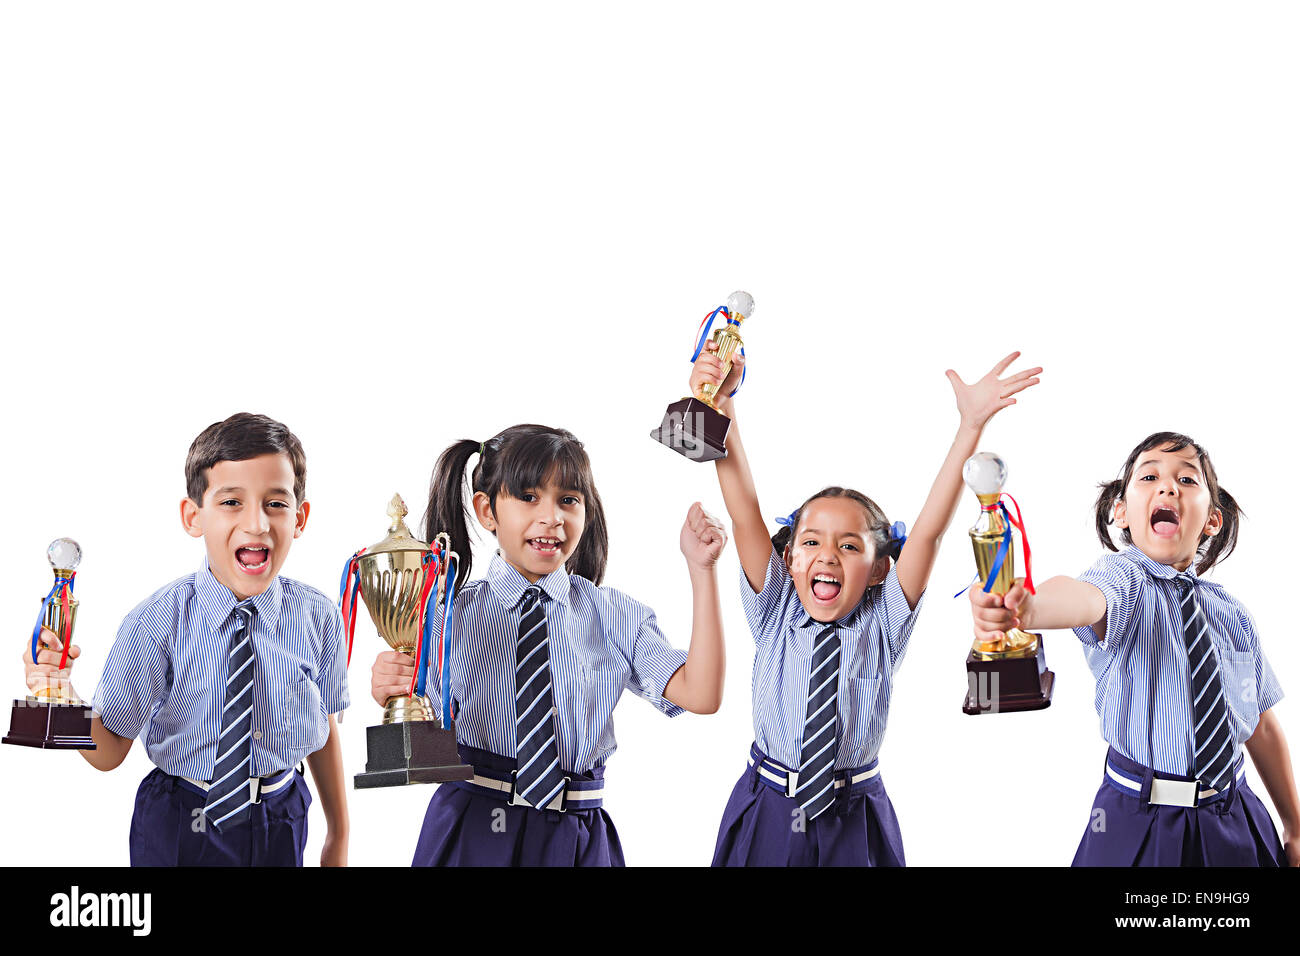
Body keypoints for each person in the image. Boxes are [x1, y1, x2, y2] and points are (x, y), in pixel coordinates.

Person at [697, 343, 1041, 865]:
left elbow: (927, 532)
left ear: (880, 569)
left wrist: (970, 427)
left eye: (850, 546)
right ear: (789, 559)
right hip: (768, 805)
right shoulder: (775, 609)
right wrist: (724, 406)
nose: (827, 556)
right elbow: (745, 510)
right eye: (811, 542)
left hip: (854, 813)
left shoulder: (883, 620)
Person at [371, 423, 727, 865]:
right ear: (486, 510)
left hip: (576, 837)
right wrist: (390, 695)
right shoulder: (445, 616)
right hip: (473, 828)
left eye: (568, 500)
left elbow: (703, 695)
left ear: (586, 512)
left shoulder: (613, 615)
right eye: (527, 497)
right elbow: (417, 763)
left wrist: (702, 571)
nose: (552, 517)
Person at [25, 412, 350, 866]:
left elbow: (322, 726)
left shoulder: (318, 616)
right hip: (181, 819)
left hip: (282, 815)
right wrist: (55, 695)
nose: (257, 524)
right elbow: (108, 751)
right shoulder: (155, 621)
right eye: (231, 502)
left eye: (276, 503)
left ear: (300, 517)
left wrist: (339, 834)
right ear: (193, 516)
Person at [969, 431, 1299, 866]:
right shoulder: (1123, 580)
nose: (1167, 486)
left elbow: (1260, 725)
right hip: (1138, 820)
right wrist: (1028, 607)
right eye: (1149, 477)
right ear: (1121, 512)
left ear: (1212, 520)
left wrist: (1293, 825)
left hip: (1234, 814)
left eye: (1187, 480)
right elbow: (1084, 598)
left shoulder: (1232, 615)